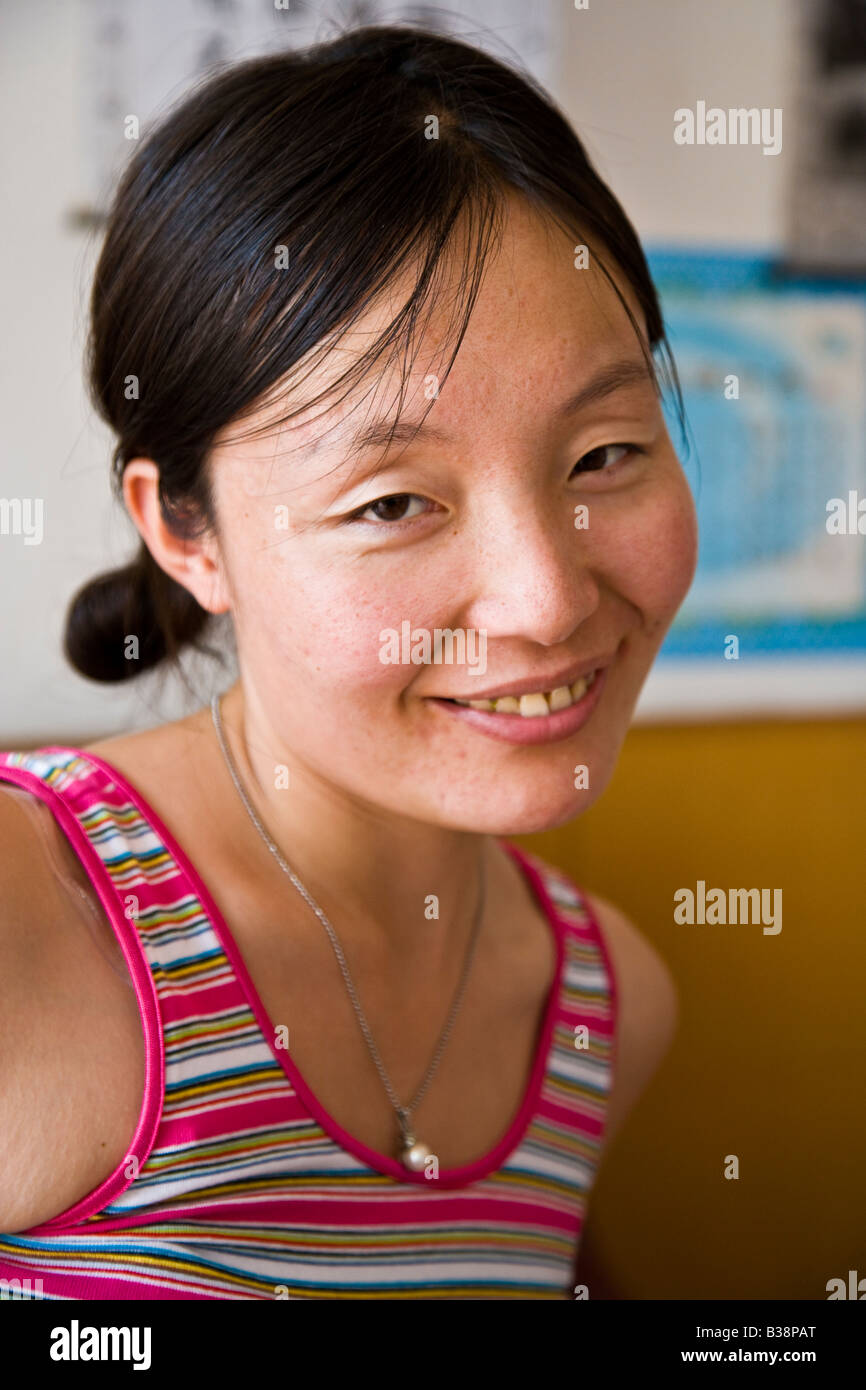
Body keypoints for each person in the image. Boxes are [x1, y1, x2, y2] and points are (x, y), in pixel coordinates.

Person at [0, 23, 696, 1299]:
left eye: (604, 456)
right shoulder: (29, 921)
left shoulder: (604, 1005)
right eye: (390, 502)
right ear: (183, 532)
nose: (545, 599)